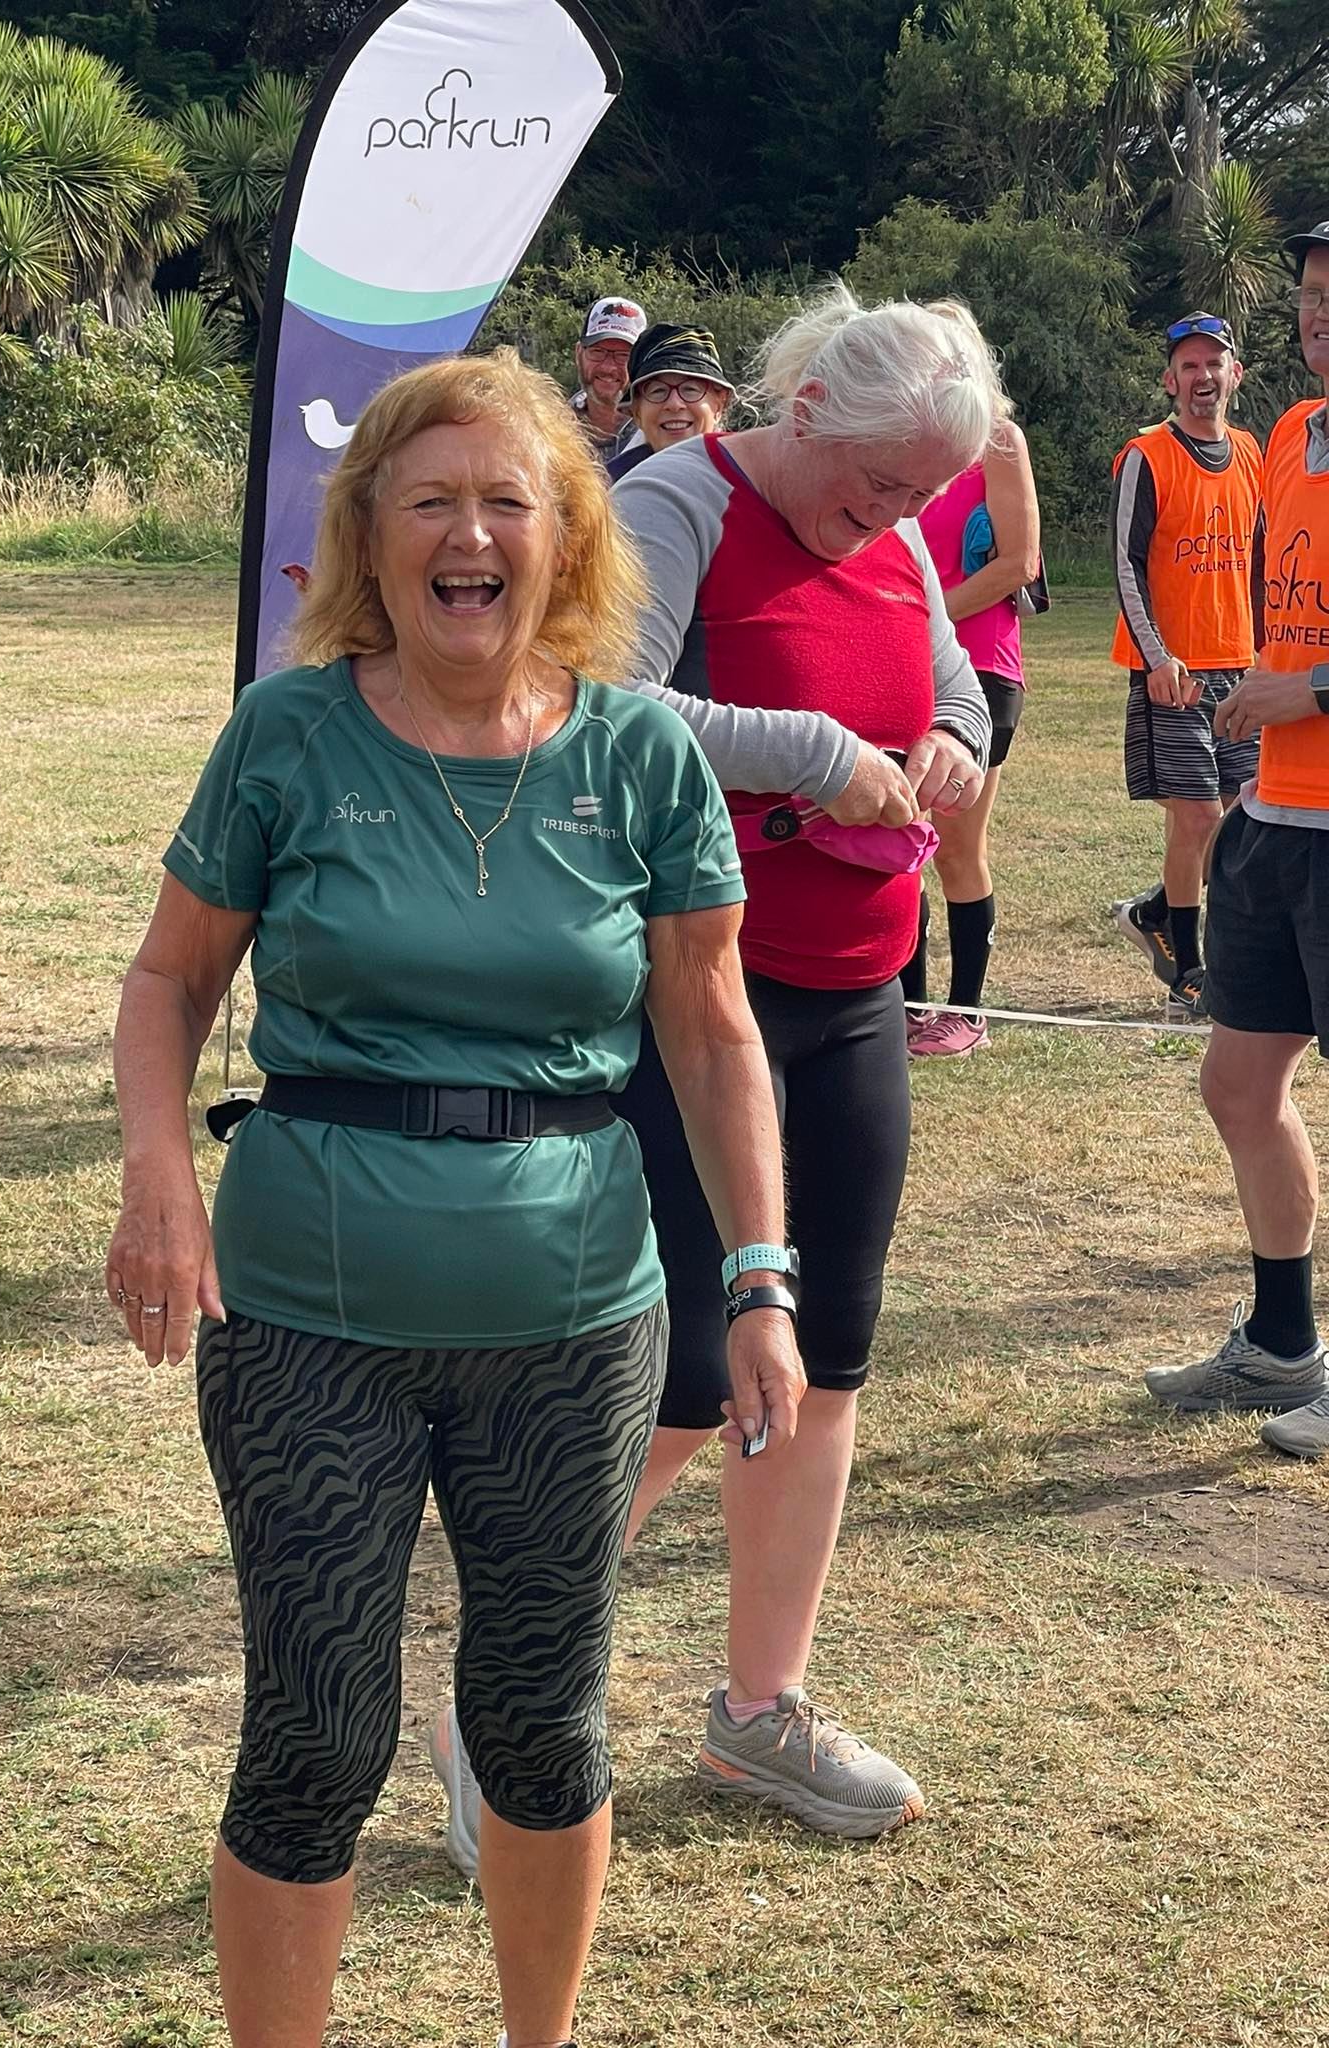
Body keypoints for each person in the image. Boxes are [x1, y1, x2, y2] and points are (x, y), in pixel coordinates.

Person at [105, 347, 803, 2048]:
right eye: (432, 500)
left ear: (567, 538)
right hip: (302, 1320)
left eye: (510, 500)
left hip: (572, 1324)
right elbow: (167, 982)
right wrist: (156, 1188)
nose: (470, 534)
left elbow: (712, 1035)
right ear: (370, 529)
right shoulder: (287, 731)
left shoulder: (641, 754)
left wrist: (763, 1273)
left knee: (543, 1722)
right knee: (319, 1732)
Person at [432, 284, 997, 1868]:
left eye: (918, 498)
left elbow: (954, 684)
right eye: (876, 485)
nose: (890, 519)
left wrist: (959, 742)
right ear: (804, 409)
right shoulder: (678, 499)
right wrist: (815, 751)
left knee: (824, 1366)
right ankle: (503, 1699)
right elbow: (595, 707)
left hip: (857, 989)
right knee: (682, 1374)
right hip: (696, 996)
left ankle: (762, 1709)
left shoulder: (887, 530)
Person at [1145, 219, 1329, 1460]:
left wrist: (1307, 692)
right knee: (1236, 1080)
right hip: (1280, 816)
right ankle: (1283, 1338)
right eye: (1315, 295)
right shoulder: (1294, 439)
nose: (1323, 312)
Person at [1107, 313, 1264, 1020]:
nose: (1204, 378)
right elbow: (1125, 563)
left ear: (1236, 374)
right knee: (1197, 817)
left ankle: (1155, 914)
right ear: (1171, 381)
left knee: (1244, 819)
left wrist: (1273, 655)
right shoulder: (1147, 455)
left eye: (1215, 365)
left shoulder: (1254, 452)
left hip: (1242, 666)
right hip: (1175, 672)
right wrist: (1156, 654)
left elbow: (1262, 565)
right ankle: (1190, 971)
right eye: (1190, 367)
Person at [906, 323, 1041, 1057]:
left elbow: (1018, 563)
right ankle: (906, 1004)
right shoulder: (898, 441)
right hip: (905, 665)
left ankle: (966, 1009)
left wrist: (919, 616)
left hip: (982, 667)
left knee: (958, 841)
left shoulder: (999, 441)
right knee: (903, 834)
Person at [606, 322, 735, 482]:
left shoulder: (758, 481)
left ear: (719, 405)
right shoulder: (604, 494)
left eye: (690, 389)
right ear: (636, 413)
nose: (674, 404)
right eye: (658, 391)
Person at [570, 295, 648, 464]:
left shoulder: (657, 433)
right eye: (597, 352)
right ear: (578, 354)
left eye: (623, 356)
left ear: (641, 362)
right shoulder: (550, 429)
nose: (608, 368)